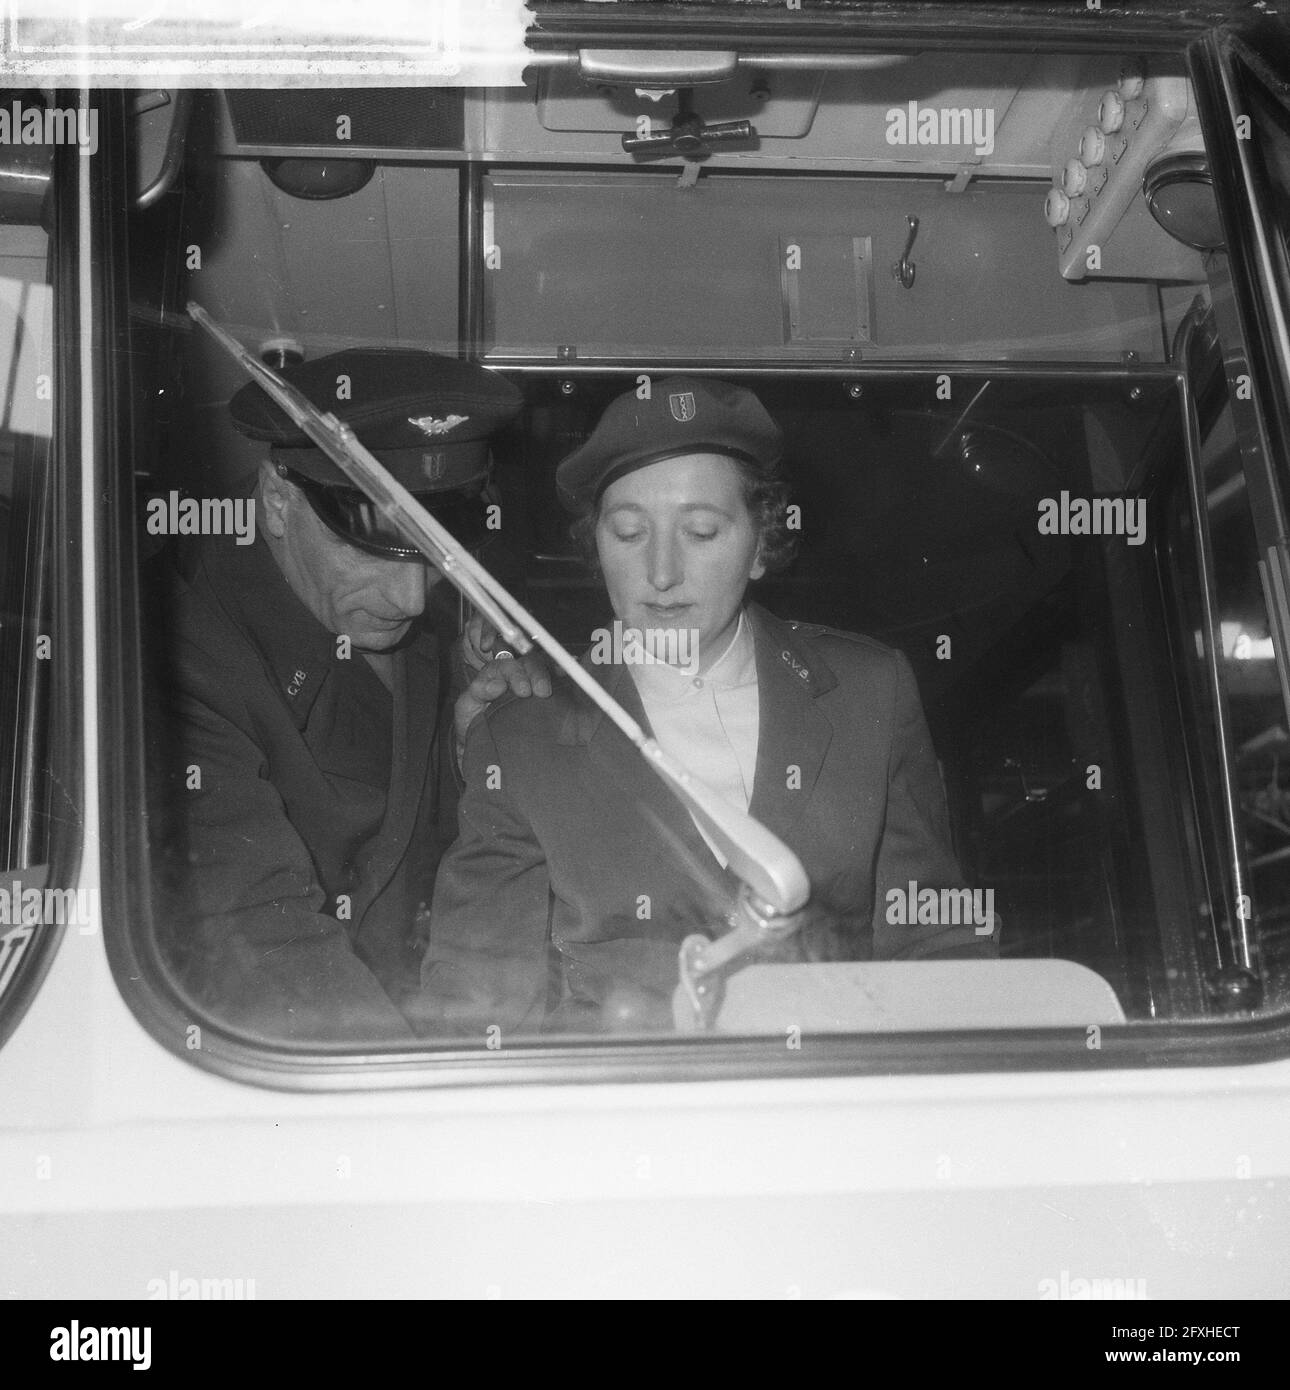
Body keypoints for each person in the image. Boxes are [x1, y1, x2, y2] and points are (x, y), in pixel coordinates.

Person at [422, 376, 997, 1037]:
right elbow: (474, 1013)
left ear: (760, 546)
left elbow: (937, 945)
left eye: (701, 531)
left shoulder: (872, 691)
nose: (661, 572)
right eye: (629, 532)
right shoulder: (522, 737)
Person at [147, 348, 549, 1043]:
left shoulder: (411, 616)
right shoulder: (165, 649)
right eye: (373, 551)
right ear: (278, 499)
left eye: (437, 555)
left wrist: (469, 758)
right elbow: (257, 936)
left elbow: (407, 841)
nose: (413, 597)